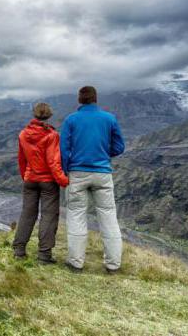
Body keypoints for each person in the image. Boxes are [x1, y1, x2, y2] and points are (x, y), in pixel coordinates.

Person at [60, 86, 125, 273]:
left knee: (76, 214)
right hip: (103, 173)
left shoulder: (71, 120)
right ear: (95, 99)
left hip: (77, 173)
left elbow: (64, 150)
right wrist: (104, 153)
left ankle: (76, 262)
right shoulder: (109, 119)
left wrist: (66, 171)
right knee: (108, 216)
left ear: (80, 99)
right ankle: (113, 265)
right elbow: (119, 147)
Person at [12, 102, 69, 263]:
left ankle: (19, 250)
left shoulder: (23, 134)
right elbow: (53, 162)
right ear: (49, 115)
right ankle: (44, 255)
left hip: (30, 179)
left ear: (34, 114)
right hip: (48, 182)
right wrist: (63, 180)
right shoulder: (51, 135)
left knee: (27, 214)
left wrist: (26, 177)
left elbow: (21, 159)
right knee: (48, 216)